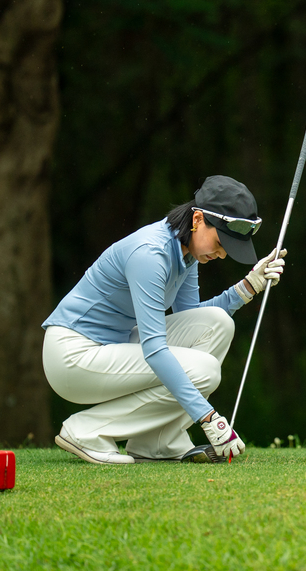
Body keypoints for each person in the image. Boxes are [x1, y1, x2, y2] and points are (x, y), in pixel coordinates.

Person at [41, 175, 286, 464]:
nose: (221, 255)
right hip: (72, 356)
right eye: (221, 242)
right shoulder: (151, 254)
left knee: (217, 323)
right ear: (197, 219)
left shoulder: (186, 253)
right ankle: (86, 431)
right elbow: (155, 349)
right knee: (204, 370)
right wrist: (207, 417)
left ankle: (157, 441)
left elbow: (192, 319)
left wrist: (247, 288)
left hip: (111, 347)